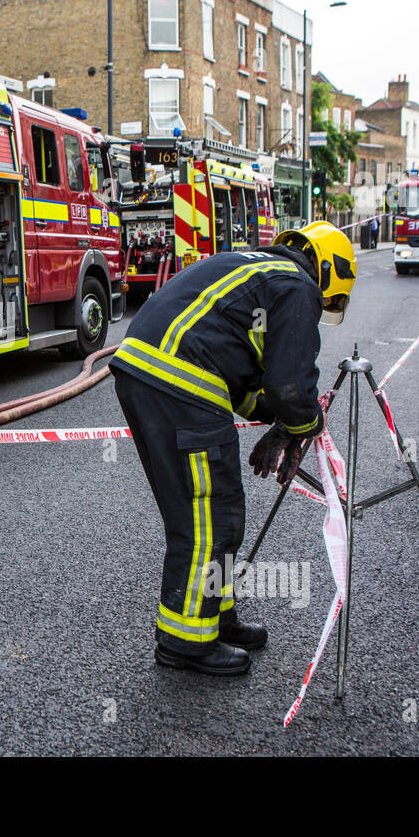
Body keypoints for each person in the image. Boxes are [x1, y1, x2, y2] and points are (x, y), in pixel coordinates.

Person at [112, 222, 357, 676]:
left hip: (150, 372)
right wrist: (305, 422)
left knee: (214, 511)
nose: (322, 307)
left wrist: (274, 416)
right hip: (180, 382)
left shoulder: (258, 269)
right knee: (210, 514)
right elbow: (288, 384)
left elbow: (239, 373)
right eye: (330, 300)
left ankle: (212, 619)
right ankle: (184, 644)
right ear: (329, 271)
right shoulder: (298, 286)